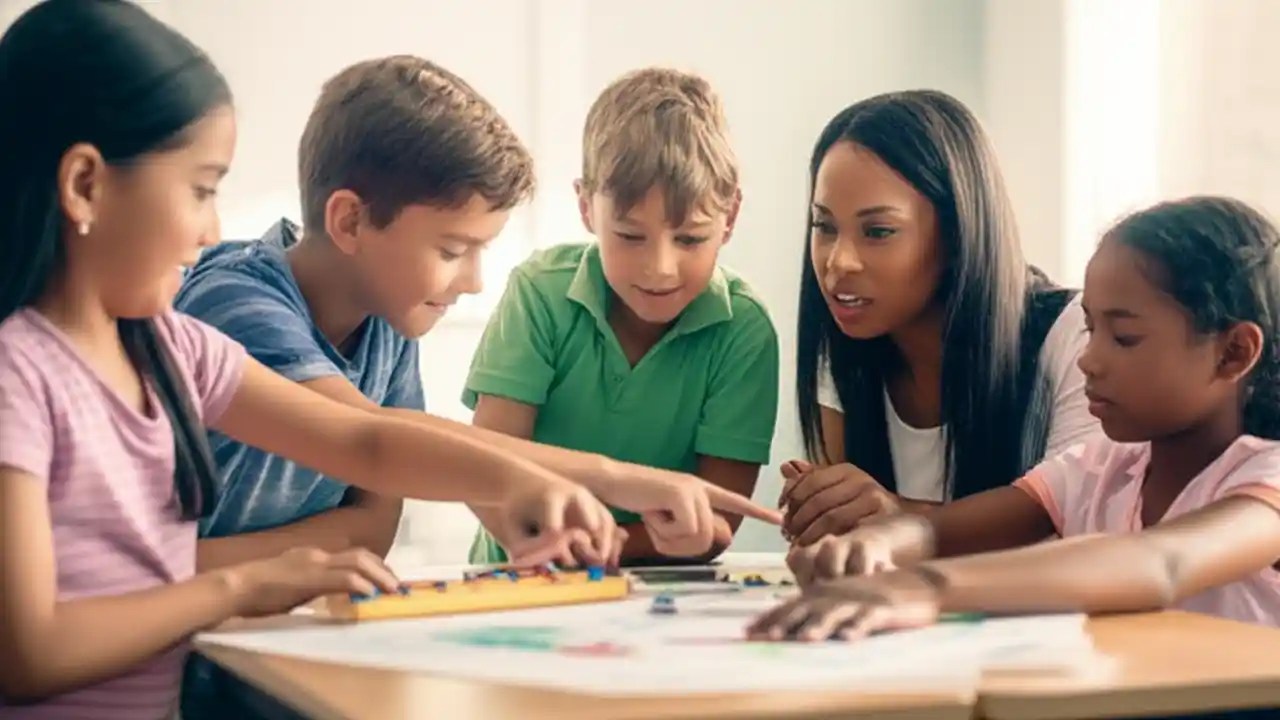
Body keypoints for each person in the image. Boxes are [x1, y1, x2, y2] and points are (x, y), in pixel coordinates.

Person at [0, 3, 718, 715]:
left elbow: (368, 443)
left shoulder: (173, 348)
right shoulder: (24, 375)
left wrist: (534, 483)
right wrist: (241, 584)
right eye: (201, 190)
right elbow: (29, 654)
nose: (212, 228)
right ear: (85, 186)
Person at [750, 196, 1280, 642]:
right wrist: (874, 546)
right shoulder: (1100, 469)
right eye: (1090, 330)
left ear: (1233, 352)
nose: (1088, 360)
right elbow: (935, 532)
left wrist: (923, 587)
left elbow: (1161, 565)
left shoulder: (1267, 481)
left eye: (1124, 338)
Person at [463, 67, 781, 565]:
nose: (660, 268)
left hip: (659, 591)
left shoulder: (744, 330)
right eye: (631, 237)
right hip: (517, 576)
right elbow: (484, 468)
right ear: (586, 207)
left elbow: (719, 522)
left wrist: (587, 548)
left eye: (691, 239)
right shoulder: (540, 292)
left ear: (731, 217)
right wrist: (550, 547)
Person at [781, 90, 1100, 546]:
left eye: (878, 231)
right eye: (824, 226)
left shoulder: (1076, 337)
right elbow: (846, 549)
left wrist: (899, 519)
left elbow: (1082, 531)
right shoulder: (847, 351)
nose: (838, 262)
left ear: (958, 232)